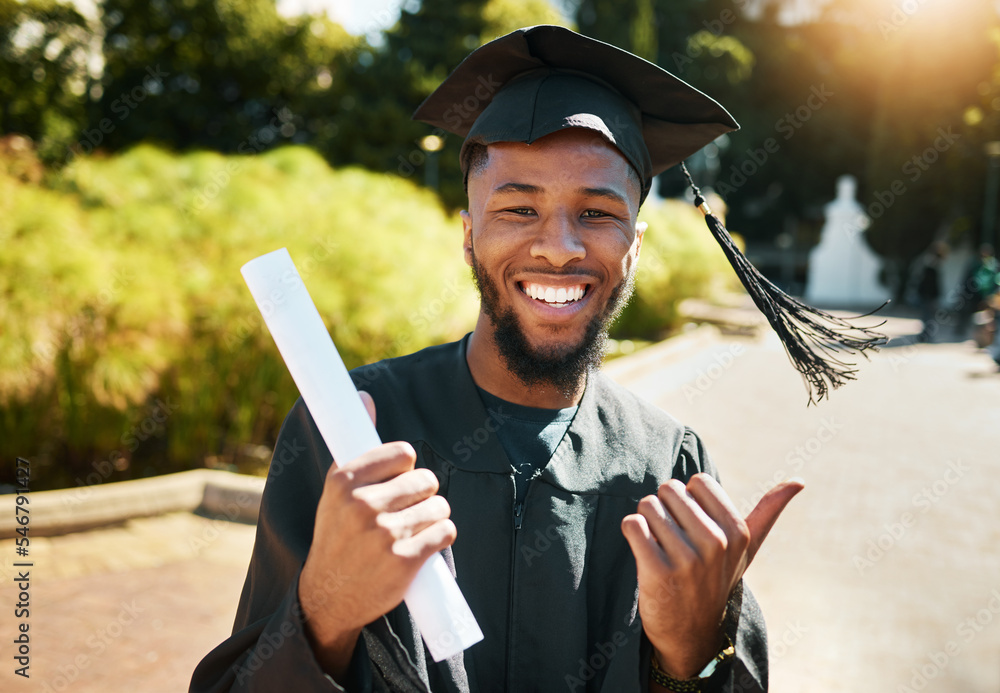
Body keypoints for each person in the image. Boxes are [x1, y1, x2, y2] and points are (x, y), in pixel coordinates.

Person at [191, 26, 808, 692]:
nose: (559, 246)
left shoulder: (668, 468)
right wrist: (324, 613)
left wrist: (693, 654)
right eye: (518, 208)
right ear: (468, 233)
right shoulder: (349, 439)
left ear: (634, 244)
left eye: (598, 213)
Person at [916, 242, 947, 342]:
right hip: (928, 295)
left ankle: (927, 335)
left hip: (928, 295)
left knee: (928, 316)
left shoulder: (930, 265)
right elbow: (929, 283)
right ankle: (926, 335)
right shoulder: (931, 265)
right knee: (928, 316)